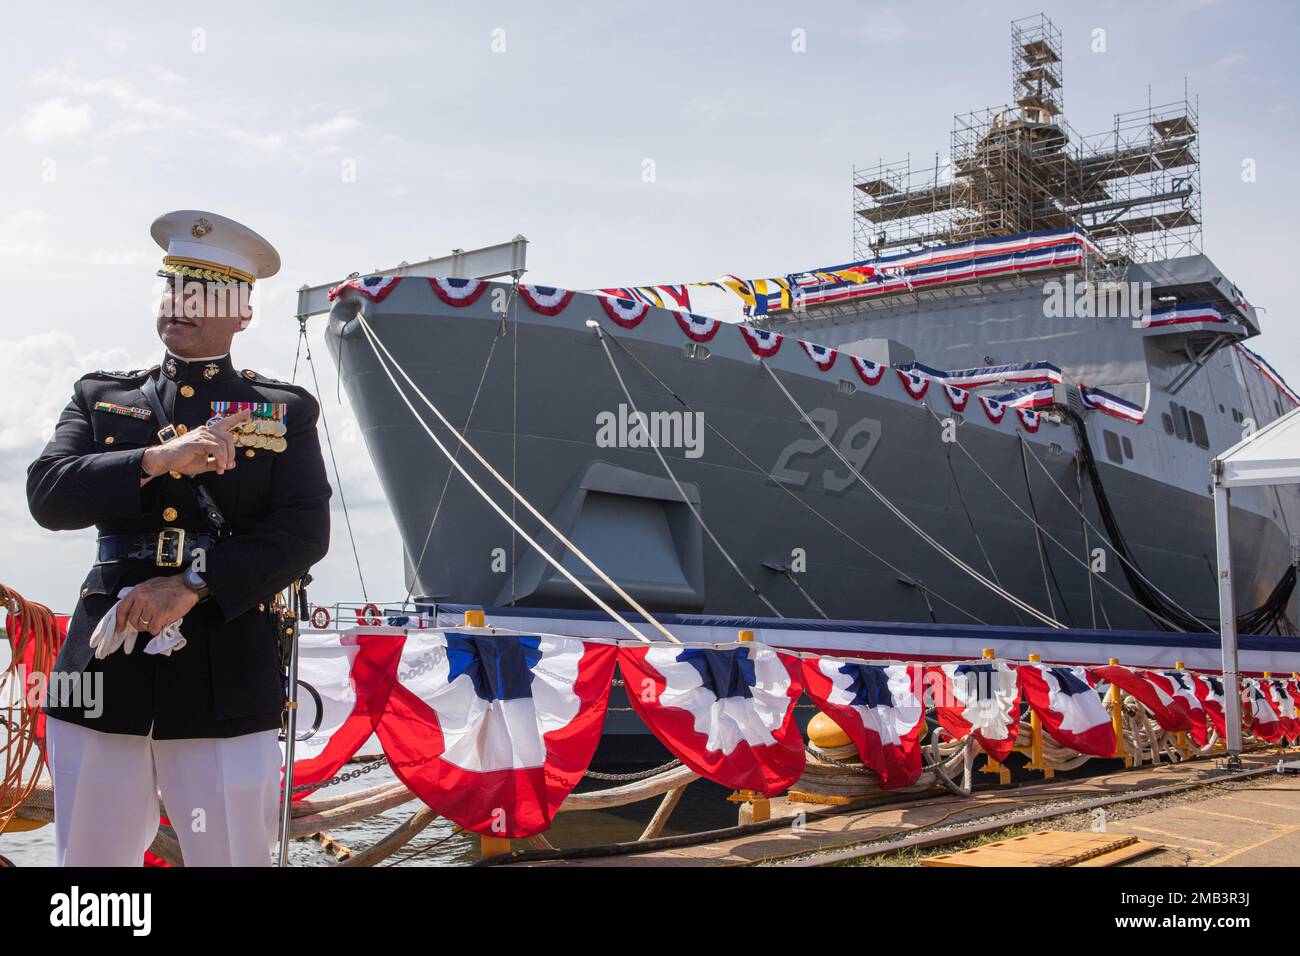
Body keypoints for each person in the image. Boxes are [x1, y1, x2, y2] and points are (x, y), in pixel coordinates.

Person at [27, 210, 331, 866]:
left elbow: (304, 532)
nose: (182, 303)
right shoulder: (105, 399)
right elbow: (48, 496)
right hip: (103, 676)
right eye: (173, 288)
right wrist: (157, 460)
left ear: (242, 312)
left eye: (205, 292)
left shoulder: (282, 411)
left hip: (223, 672)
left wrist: (194, 584)